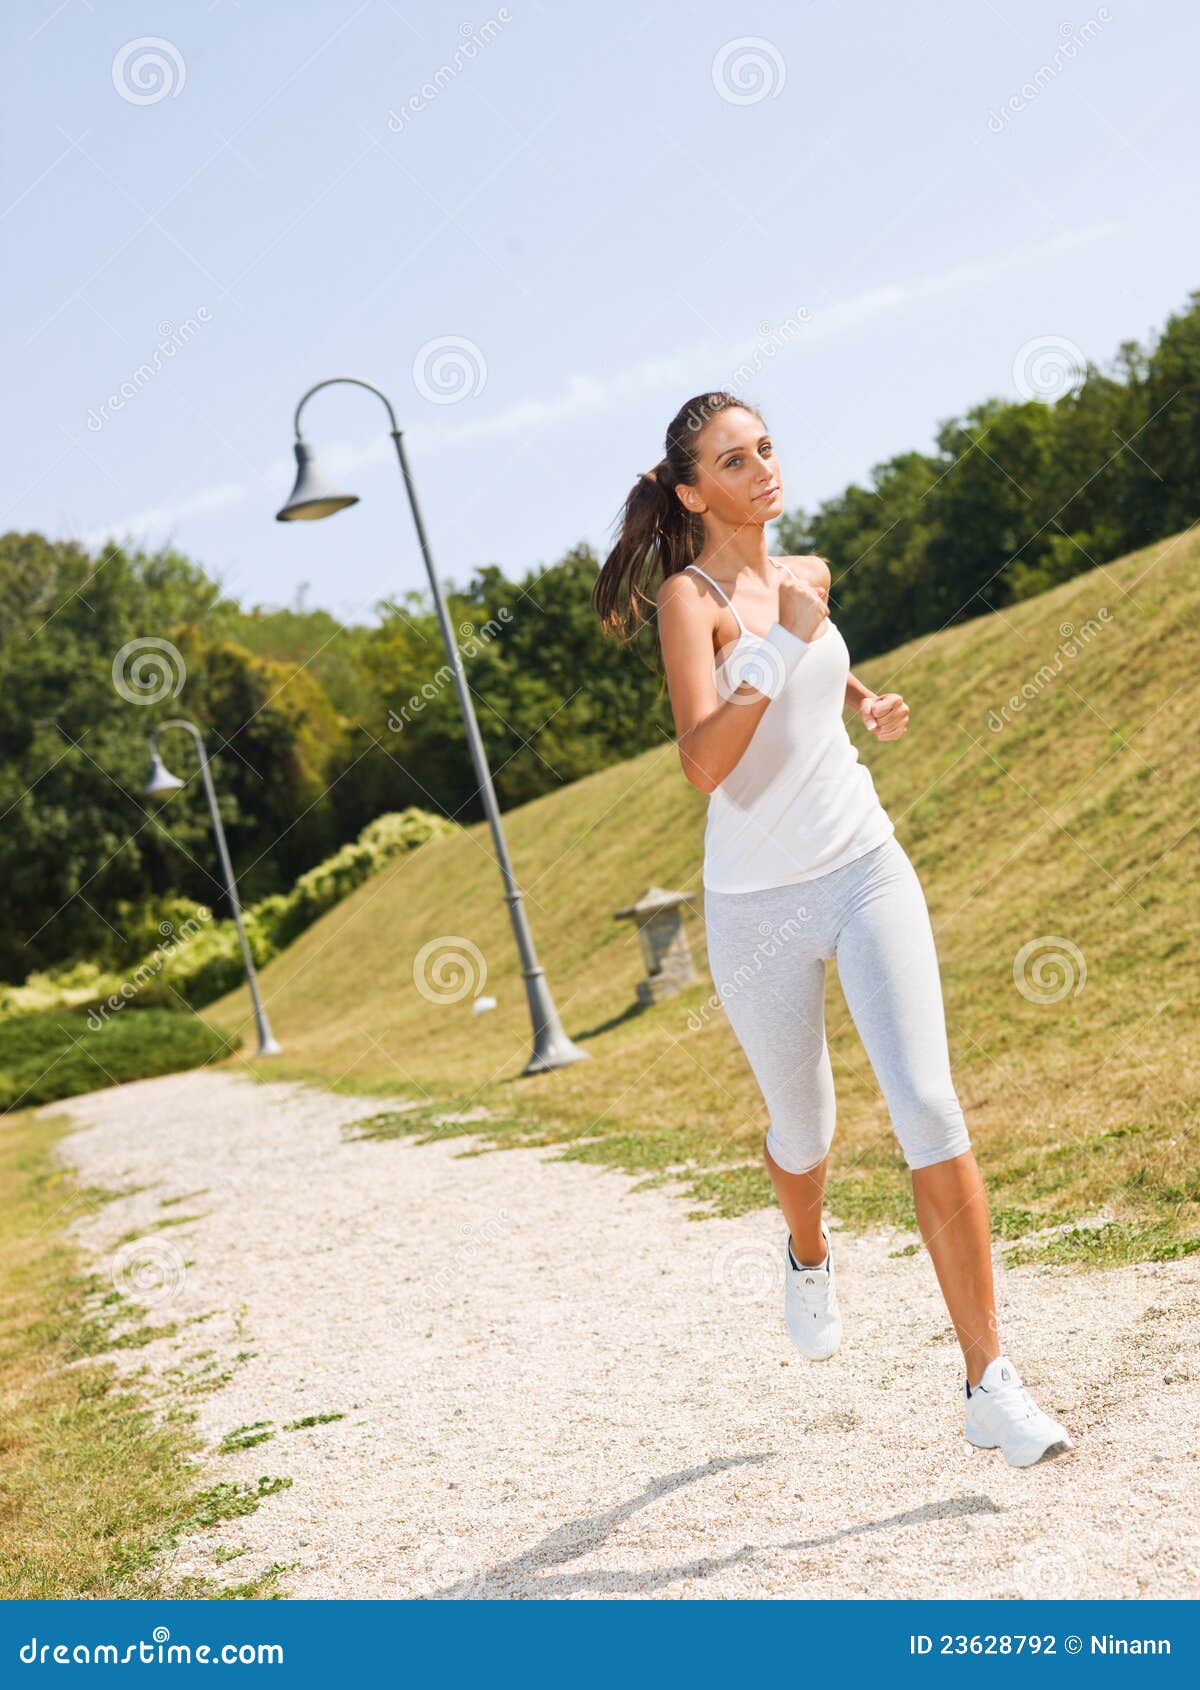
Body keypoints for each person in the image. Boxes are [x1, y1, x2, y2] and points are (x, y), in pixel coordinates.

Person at [592, 390, 1071, 1467]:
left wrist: (860, 695)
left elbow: (804, 658)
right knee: (803, 1131)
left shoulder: (803, 573)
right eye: (733, 459)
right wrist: (785, 641)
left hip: (863, 866)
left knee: (928, 1104)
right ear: (690, 493)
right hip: (756, 903)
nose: (763, 467)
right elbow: (705, 761)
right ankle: (808, 1250)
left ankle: (989, 1381)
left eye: (766, 447)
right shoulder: (689, 598)